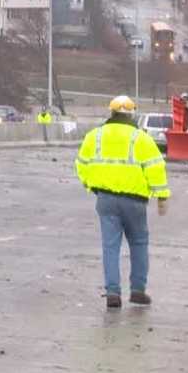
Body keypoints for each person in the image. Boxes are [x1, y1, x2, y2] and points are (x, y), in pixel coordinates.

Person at [75, 95, 169, 309]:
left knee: (110, 246)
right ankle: (137, 290)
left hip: (106, 199)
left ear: (112, 112)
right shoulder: (141, 138)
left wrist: (91, 185)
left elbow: (81, 164)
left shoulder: (95, 136)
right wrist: (161, 196)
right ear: (132, 114)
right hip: (134, 201)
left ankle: (112, 293)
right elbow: (155, 168)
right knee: (139, 243)